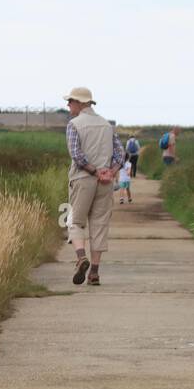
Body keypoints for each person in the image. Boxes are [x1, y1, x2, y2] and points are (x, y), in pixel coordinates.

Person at [64, 86, 125, 287]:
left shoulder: (74, 125)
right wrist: (110, 171)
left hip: (83, 179)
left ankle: (81, 258)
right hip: (105, 182)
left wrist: (94, 171)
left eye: (70, 101)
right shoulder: (107, 125)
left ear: (80, 103)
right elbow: (120, 154)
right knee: (99, 225)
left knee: (75, 221)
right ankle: (95, 273)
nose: (68, 105)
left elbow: (77, 155)